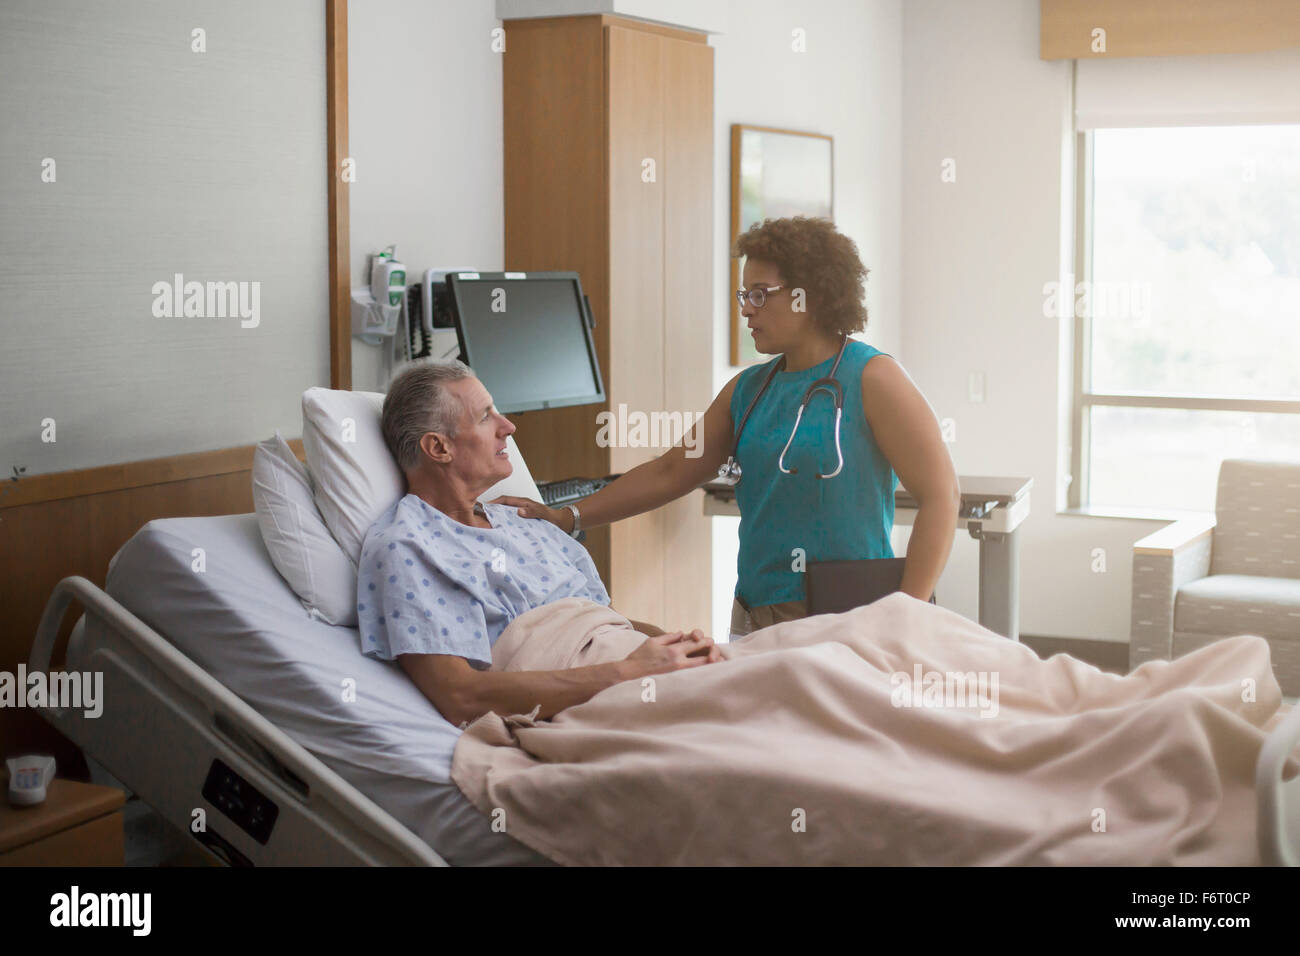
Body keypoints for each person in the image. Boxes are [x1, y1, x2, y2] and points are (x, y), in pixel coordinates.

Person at [494, 216, 961, 637]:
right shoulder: (749, 389)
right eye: (744, 295)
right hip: (756, 615)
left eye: (760, 294)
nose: (746, 309)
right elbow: (671, 471)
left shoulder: (873, 377)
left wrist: (908, 612)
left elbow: (942, 496)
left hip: (851, 619)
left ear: (811, 295)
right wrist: (569, 516)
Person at [356, 360, 723, 728]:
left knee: (772, 659)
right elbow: (460, 696)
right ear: (438, 447)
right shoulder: (408, 547)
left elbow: (604, 626)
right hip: (598, 697)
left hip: (636, 665)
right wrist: (629, 673)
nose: (509, 427)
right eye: (486, 417)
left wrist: (679, 645)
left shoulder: (524, 520)